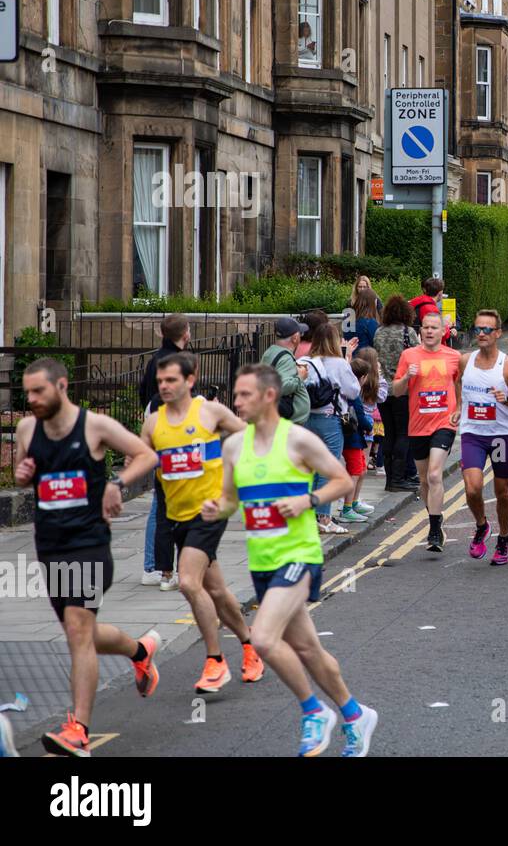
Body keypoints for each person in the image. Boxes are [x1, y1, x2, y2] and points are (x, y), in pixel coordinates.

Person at [202, 364, 378, 755]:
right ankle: (355, 715)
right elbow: (232, 498)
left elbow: (343, 479)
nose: (237, 402)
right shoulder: (233, 446)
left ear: (268, 396)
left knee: (264, 638)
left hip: (299, 555)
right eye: (235, 395)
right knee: (309, 650)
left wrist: (307, 500)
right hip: (262, 560)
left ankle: (313, 711)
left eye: (244, 395)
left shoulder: (298, 440)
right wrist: (219, 506)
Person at [14, 359, 162, 756]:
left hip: (89, 542)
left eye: (38, 391)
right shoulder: (28, 429)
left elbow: (146, 455)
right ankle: (140, 651)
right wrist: (23, 473)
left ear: (62, 386)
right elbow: (22, 475)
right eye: (27, 393)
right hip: (50, 545)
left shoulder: (94, 425)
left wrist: (117, 483)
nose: (31, 400)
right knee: (81, 633)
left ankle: (78, 728)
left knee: (79, 631)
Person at [141, 351, 263, 691]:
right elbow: (138, 459)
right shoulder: (153, 422)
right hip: (176, 514)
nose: (164, 386)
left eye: (171, 380)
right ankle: (251, 645)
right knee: (217, 590)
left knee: (188, 582)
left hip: (210, 511)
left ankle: (215, 662)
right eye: (160, 381)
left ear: (190, 381)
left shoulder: (210, 411)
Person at [458, 310, 508, 565]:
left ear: (498, 333)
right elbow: (459, 387)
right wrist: (457, 410)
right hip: (472, 435)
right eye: (478, 328)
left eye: (487, 329)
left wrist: (507, 400)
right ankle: (481, 525)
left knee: (502, 492)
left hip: (500, 435)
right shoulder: (465, 361)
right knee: (472, 486)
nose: (481, 333)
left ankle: (503, 538)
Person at [393, 311, 462, 552]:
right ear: (420, 331)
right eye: (426, 327)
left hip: (444, 422)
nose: (430, 331)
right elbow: (397, 390)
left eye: (434, 327)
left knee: (434, 475)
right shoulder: (409, 355)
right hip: (418, 424)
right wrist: (406, 378)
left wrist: (460, 408)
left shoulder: (454, 357)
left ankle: (433, 530)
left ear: (443, 331)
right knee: (424, 480)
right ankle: (436, 518)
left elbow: (461, 383)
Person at [139, 313, 190, 587]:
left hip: (158, 441)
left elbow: (143, 396)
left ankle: (157, 569)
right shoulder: (179, 362)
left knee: (160, 510)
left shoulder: (153, 360)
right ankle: (162, 569)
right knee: (172, 511)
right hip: (176, 446)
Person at [299, 324, 361, 534]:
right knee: (327, 467)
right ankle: (323, 518)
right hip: (330, 419)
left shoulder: (305, 361)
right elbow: (353, 391)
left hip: (307, 418)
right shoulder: (339, 364)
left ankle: (309, 514)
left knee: (310, 468)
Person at [373, 296, 420, 492]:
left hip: (383, 390)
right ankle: (399, 479)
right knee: (403, 434)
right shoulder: (407, 332)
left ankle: (390, 480)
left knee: (389, 434)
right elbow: (418, 357)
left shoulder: (379, 332)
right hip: (403, 389)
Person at [337, 349, 384, 524]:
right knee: (355, 471)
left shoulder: (351, 390)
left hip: (354, 437)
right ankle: (347, 508)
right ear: (363, 377)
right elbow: (360, 415)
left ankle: (354, 503)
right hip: (353, 437)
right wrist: (369, 427)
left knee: (361, 469)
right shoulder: (354, 393)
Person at [261, 317, 311, 425]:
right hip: (289, 423)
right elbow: (282, 386)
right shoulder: (286, 358)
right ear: (295, 338)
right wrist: (300, 377)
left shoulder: (269, 352)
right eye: (300, 334)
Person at [408, 277, 456, 346]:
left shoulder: (417, 301)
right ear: (440, 293)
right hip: (427, 349)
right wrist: (446, 324)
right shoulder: (431, 309)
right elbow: (438, 335)